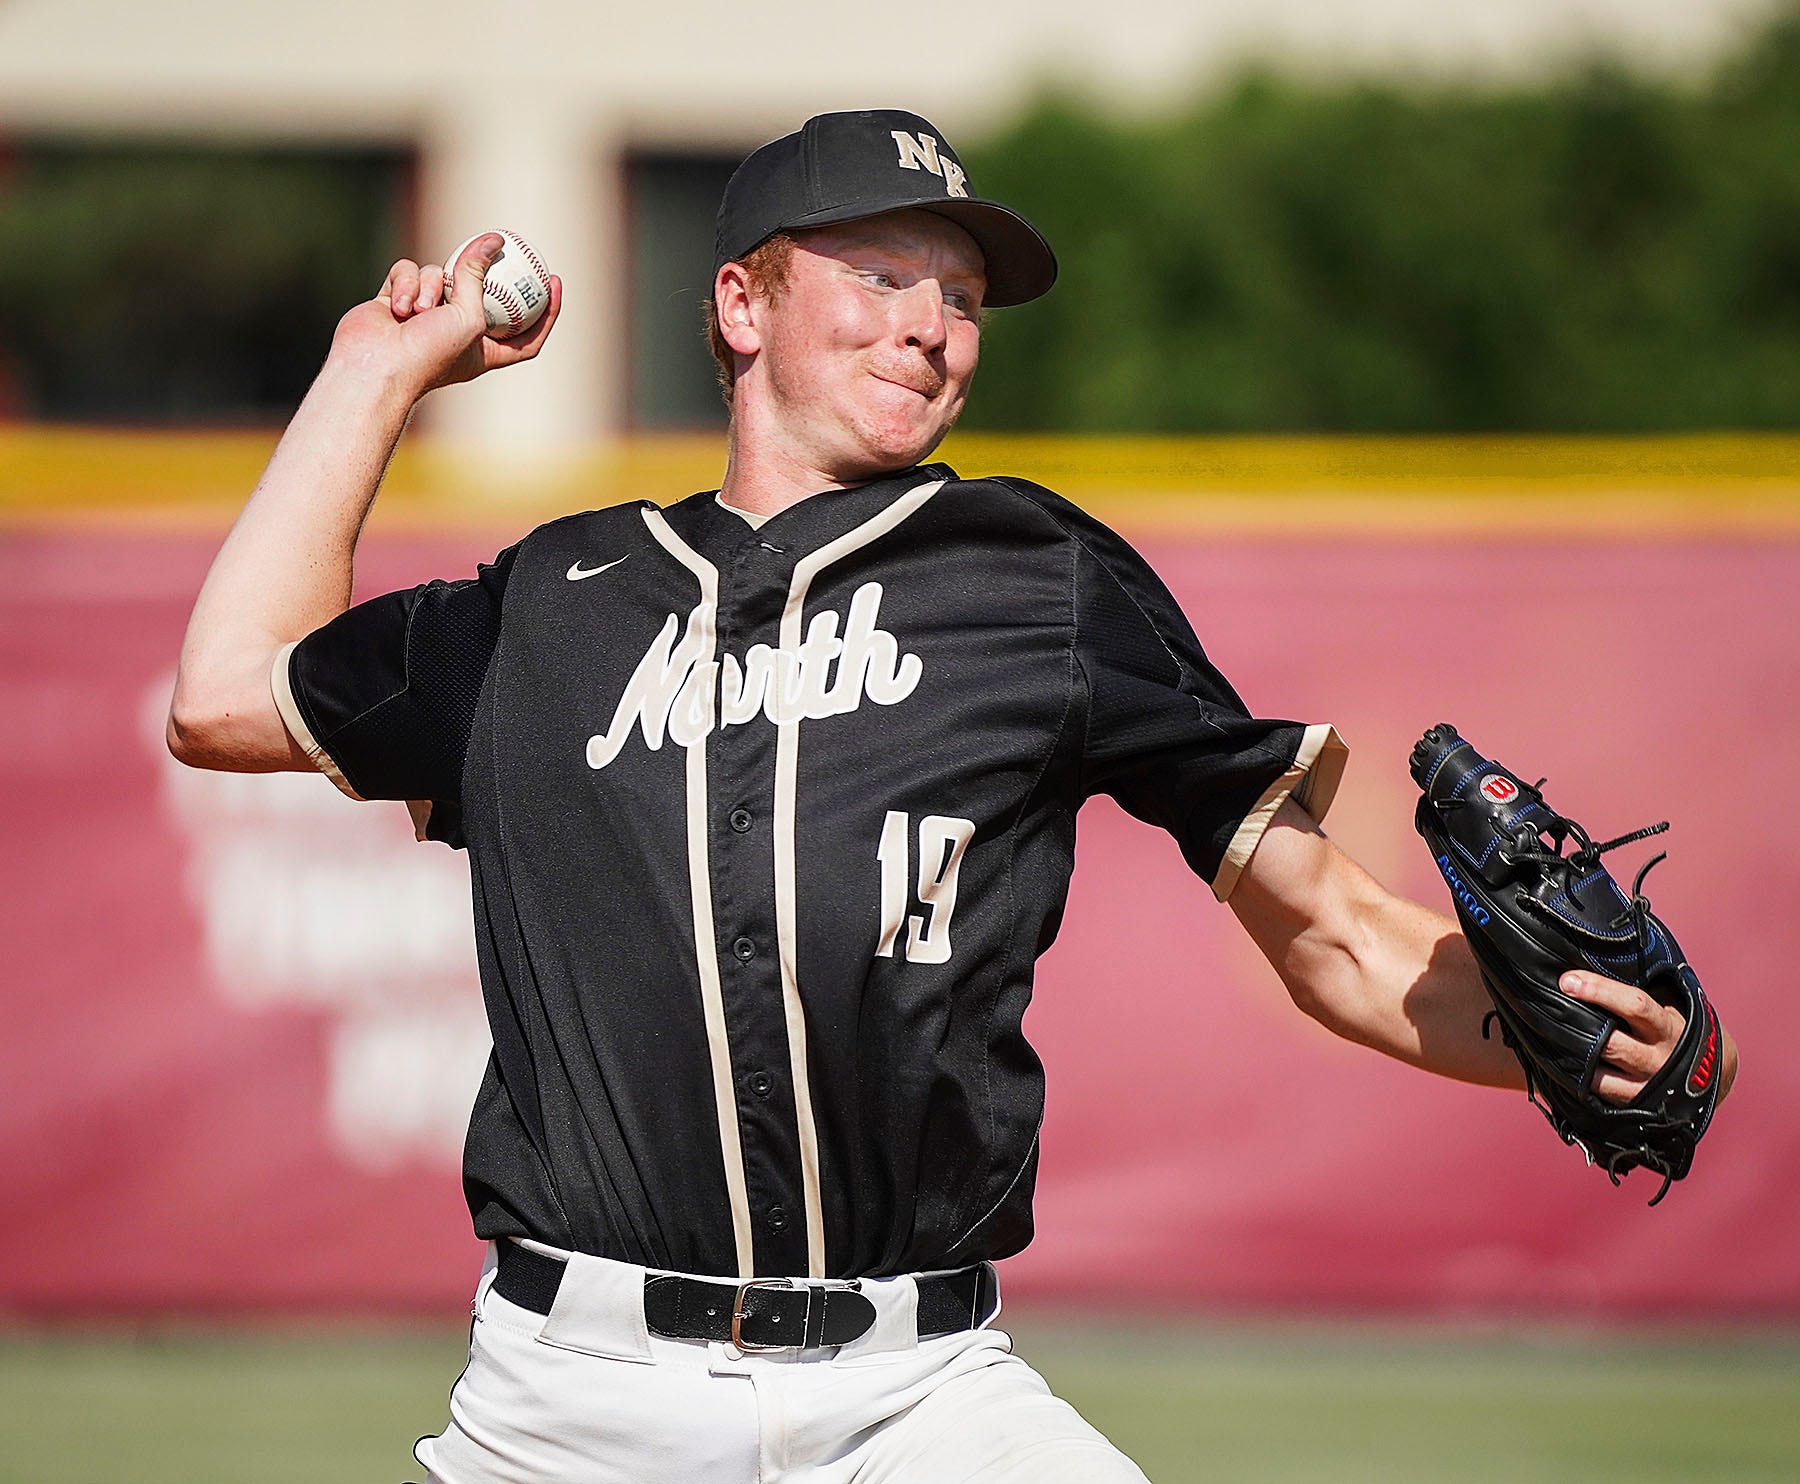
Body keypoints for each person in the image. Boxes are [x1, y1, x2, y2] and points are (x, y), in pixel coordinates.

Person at [168, 108, 1736, 1483]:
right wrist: (372, 377)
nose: (933, 324)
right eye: (883, 276)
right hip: (573, 1397)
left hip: (914, 1397)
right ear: (740, 302)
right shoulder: (553, 605)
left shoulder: (1035, 580)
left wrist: (1569, 1042)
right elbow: (227, 695)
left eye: (964, 297)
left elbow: (1329, 932)